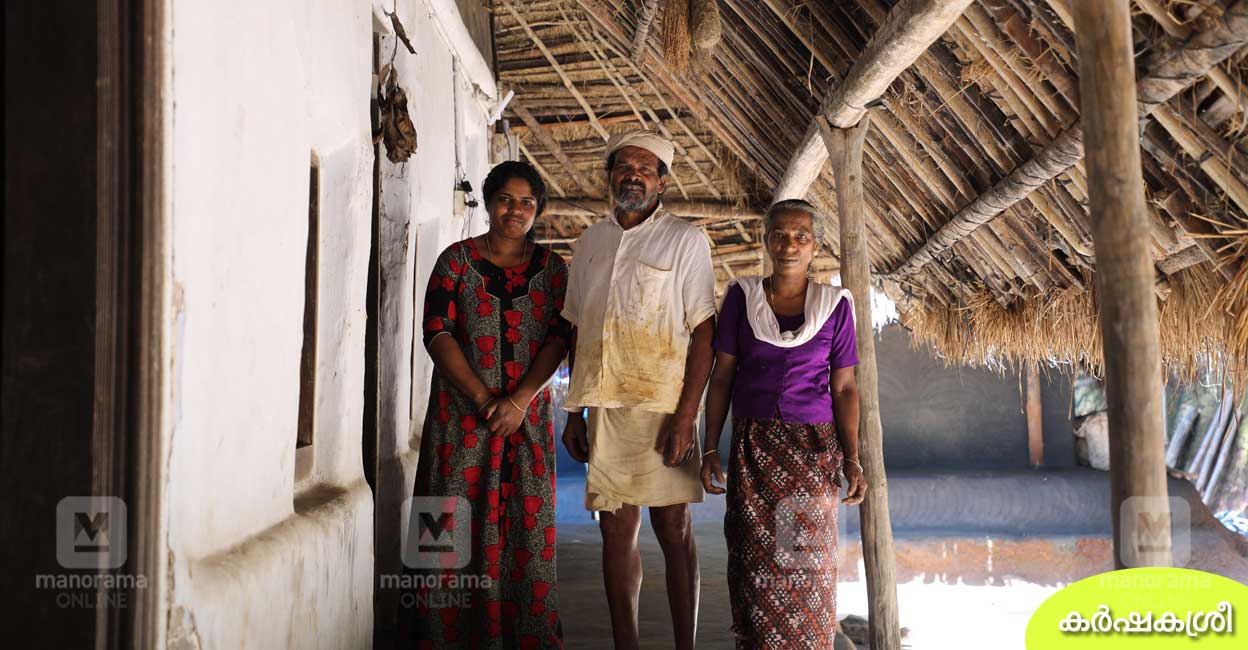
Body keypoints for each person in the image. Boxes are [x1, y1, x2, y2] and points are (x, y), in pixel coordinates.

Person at [559, 130, 717, 650]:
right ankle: (625, 643)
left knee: (673, 529)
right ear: (610, 176)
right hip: (605, 405)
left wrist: (685, 415)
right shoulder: (590, 242)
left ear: (662, 180)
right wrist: (574, 412)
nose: (633, 174)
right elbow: (578, 327)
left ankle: (683, 645)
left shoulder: (685, 241)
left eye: (645, 168)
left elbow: (703, 332)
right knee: (614, 531)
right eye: (623, 166)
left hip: (664, 406)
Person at [405, 161, 569, 649]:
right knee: (447, 532)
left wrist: (518, 401)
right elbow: (436, 330)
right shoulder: (454, 262)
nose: (514, 210)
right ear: (489, 201)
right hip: (460, 425)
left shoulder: (554, 270)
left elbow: (562, 335)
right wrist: (482, 398)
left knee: (527, 536)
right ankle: (441, 637)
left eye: (526, 202)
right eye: (505, 199)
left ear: (537, 209)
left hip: (526, 426)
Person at [700, 199, 869, 649]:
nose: (790, 244)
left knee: (806, 561)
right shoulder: (742, 297)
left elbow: (845, 389)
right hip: (753, 449)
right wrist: (710, 448)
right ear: (766, 241)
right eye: (780, 235)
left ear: (815, 246)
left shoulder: (834, 306)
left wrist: (851, 459)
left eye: (801, 236)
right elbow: (721, 378)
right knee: (756, 560)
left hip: (813, 451)